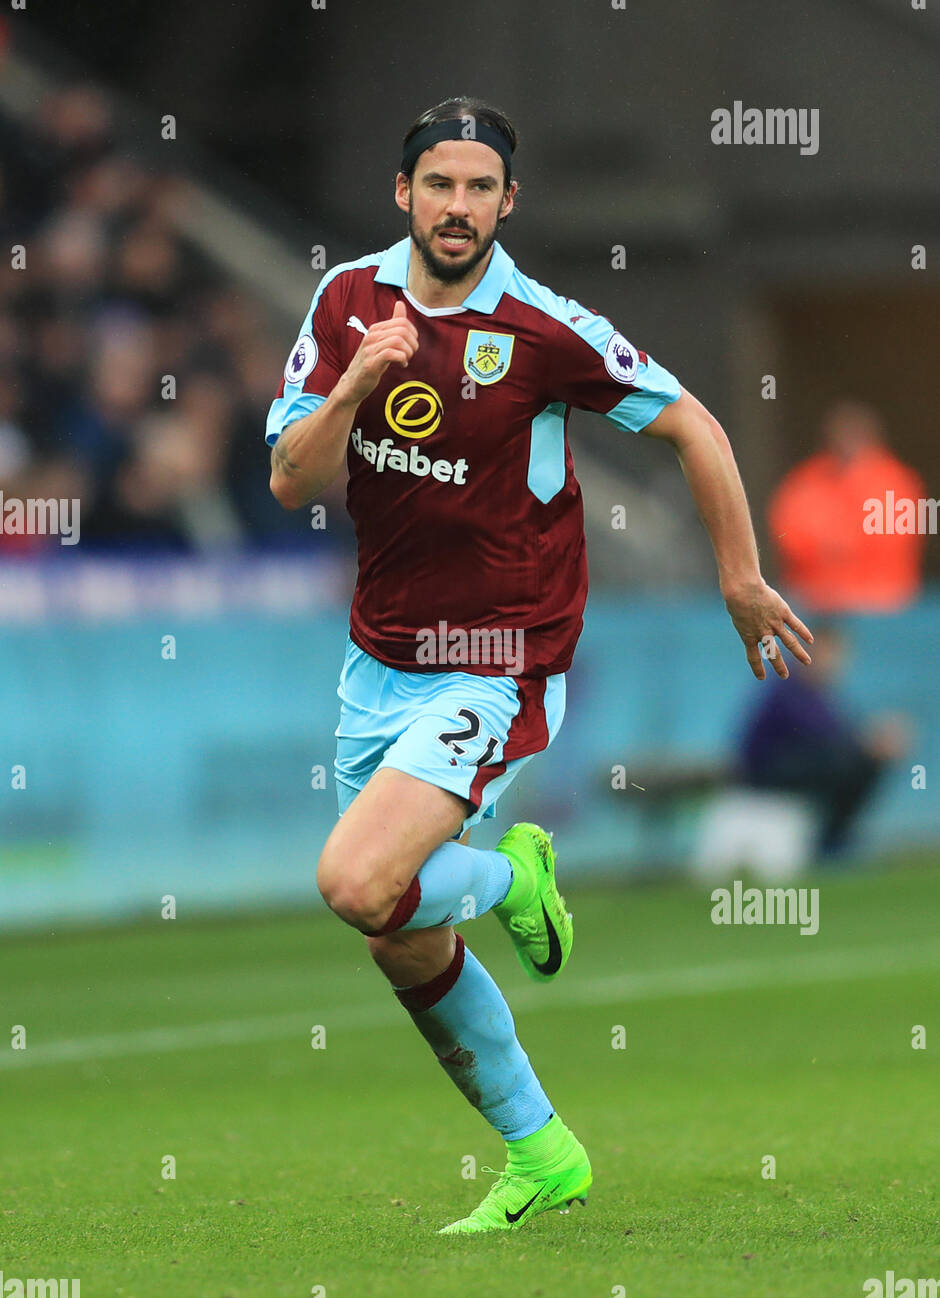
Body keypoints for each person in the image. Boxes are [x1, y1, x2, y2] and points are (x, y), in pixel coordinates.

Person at [265, 96, 812, 1234]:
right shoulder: (344, 302)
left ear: (508, 203)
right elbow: (290, 480)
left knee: (355, 883)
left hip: (500, 660)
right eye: (438, 184)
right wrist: (360, 381)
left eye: (478, 188)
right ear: (402, 194)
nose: (456, 206)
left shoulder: (546, 327)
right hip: (378, 661)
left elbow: (694, 424)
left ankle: (513, 879)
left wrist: (739, 574)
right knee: (396, 931)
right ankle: (544, 1152)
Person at [738, 624, 908, 858]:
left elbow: (841, 734)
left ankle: (835, 838)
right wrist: (871, 742)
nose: (833, 661)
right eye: (827, 652)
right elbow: (823, 736)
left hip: (793, 770)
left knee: (865, 761)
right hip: (763, 775)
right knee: (854, 761)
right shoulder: (789, 687)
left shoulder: (823, 694)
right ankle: (830, 842)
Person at [768, 401, 927, 612]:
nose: (848, 445)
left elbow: (897, 537)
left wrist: (844, 545)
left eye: (856, 438)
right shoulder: (806, 480)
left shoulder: (897, 481)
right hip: (813, 597)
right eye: (841, 438)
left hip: (883, 599)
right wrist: (823, 548)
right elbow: (786, 529)